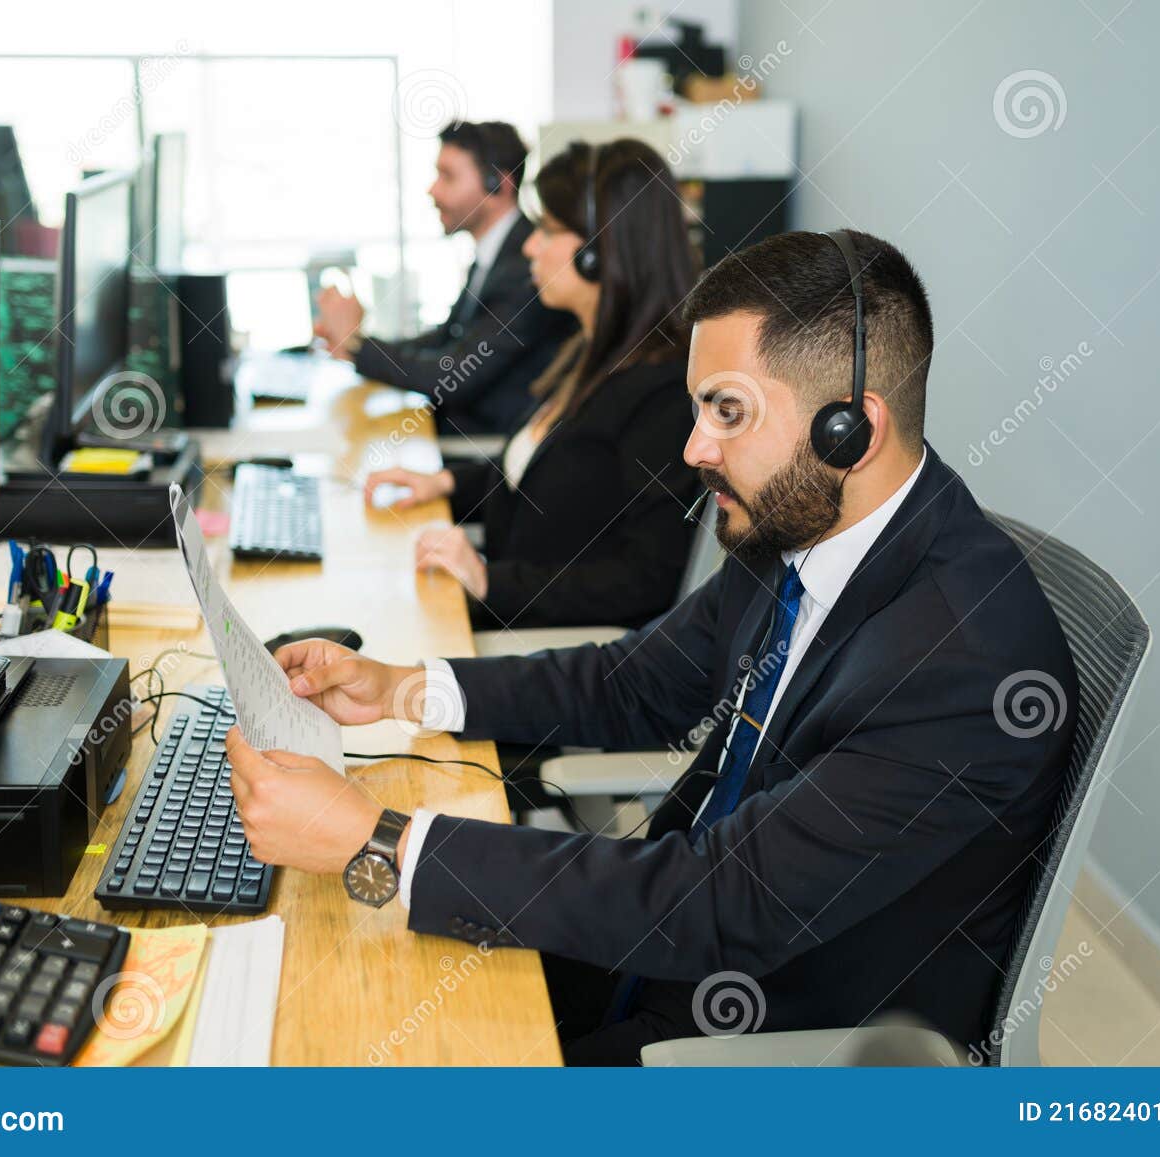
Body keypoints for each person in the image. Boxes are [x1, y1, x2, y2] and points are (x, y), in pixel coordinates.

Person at [226, 227, 1081, 1065]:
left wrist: (376, 840)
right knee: (341, 993)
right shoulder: (801, 529)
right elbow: (633, 682)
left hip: (762, 1038)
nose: (694, 447)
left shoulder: (965, 665)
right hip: (663, 947)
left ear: (848, 431)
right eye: (699, 405)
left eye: (728, 410)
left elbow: (719, 901)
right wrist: (406, 687)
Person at [363, 139, 701, 631]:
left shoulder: (662, 391)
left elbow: (647, 581)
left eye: (546, 229)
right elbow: (540, 471)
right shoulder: (587, 353)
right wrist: (444, 482)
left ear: (597, 252)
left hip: (551, 644)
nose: (528, 245)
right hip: (508, 606)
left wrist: (486, 581)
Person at [313, 120, 574, 436]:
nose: (432, 189)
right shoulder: (495, 255)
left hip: (482, 450)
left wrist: (358, 345)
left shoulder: (525, 268)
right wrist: (357, 343)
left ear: (498, 184)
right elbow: (447, 339)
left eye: (447, 176)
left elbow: (454, 376)